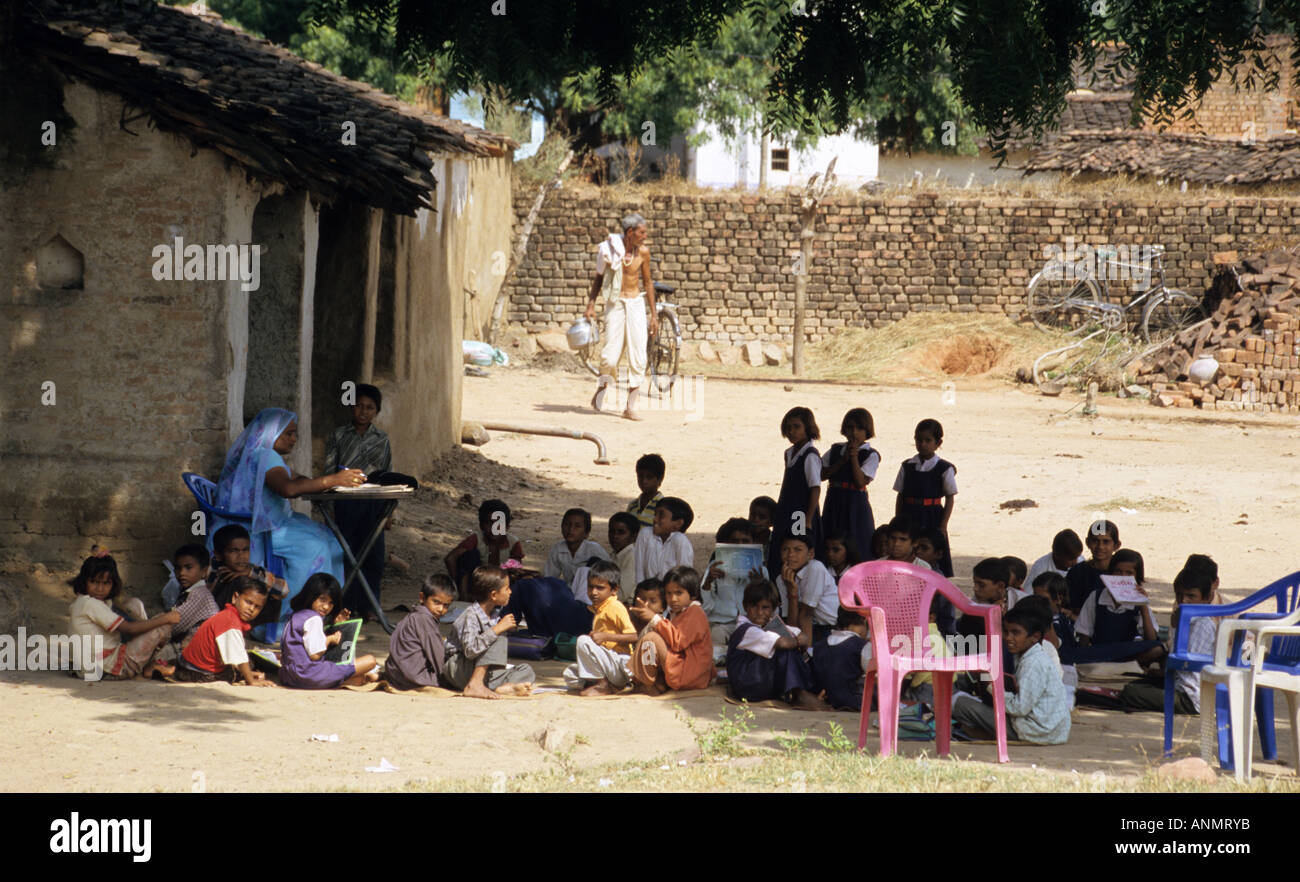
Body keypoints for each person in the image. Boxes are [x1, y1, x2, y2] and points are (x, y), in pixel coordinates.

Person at [214, 407, 349, 640]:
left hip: (268, 522)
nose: (294, 439)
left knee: (329, 538)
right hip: (258, 528)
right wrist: (332, 480)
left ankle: (325, 614)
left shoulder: (263, 454)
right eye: (288, 434)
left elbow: (294, 478)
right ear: (270, 434)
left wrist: (315, 482)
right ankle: (290, 618)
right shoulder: (266, 456)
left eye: (295, 434)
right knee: (316, 548)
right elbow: (287, 488)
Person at [952, 604, 1071, 744]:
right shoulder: (1028, 655)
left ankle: (983, 731)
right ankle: (980, 730)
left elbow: (1019, 708)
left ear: (1035, 636)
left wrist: (991, 686)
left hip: (1035, 731)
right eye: (1006, 631)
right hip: (1047, 729)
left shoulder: (1033, 663)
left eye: (1016, 633)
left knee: (959, 703)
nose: (1008, 638)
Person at [324, 383, 393, 620]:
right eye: (359, 406)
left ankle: (370, 607)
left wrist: (389, 511)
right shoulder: (339, 435)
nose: (363, 412)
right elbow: (329, 468)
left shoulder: (382, 439)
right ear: (351, 407)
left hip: (373, 503)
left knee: (373, 556)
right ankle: (346, 605)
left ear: (376, 411)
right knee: (346, 553)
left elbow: (387, 473)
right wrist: (330, 504)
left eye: (369, 408)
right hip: (345, 502)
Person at [1121, 555, 1220, 713]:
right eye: (1179, 595)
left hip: (1190, 697)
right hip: (1180, 686)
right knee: (1136, 685)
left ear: (1207, 598)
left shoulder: (1202, 625)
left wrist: (1175, 630)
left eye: (1191, 596)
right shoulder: (1188, 620)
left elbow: (1184, 663)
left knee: (1130, 692)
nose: (1183, 601)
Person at [585, 212, 657, 420]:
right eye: (642, 233)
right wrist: (591, 304)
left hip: (635, 303)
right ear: (630, 232)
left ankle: (629, 407)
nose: (645, 236)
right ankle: (601, 389)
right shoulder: (610, 251)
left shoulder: (643, 253)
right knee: (609, 355)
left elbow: (648, 282)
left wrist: (654, 315)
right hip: (615, 304)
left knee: (638, 355)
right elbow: (598, 279)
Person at [68, 550, 178, 680]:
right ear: (84, 581)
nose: (100, 588)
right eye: (94, 582)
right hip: (107, 669)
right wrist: (165, 618)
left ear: (113, 584)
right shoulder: (91, 604)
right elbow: (129, 629)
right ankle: (153, 664)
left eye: (106, 583)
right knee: (163, 626)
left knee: (133, 604)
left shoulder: (83, 602)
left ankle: (151, 659)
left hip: (87, 667)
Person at [726, 580, 829, 709]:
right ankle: (798, 694)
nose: (759, 612)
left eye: (765, 607)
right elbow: (782, 642)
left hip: (762, 684)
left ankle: (811, 690)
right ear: (745, 607)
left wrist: (799, 640)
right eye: (754, 606)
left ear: (773, 609)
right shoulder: (746, 629)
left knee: (807, 653)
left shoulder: (769, 625)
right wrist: (797, 641)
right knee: (784, 649)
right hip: (747, 686)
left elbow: (801, 635)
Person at [442, 567, 535, 699]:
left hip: (482, 670)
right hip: (459, 668)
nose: (510, 592)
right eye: (507, 588)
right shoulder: (470, 615)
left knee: (526, 670)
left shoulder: (495, 614)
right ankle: (474, 685)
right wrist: (497, 629)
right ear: (493, 595)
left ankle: (501, 688)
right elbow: (470, 650)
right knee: (498, 636)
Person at [280, 574, 379, 689]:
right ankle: (367, 677)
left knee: (355, 678)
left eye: (331, 603)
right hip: (309, 675)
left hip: (289, 676)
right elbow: (315, 655)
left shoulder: (296, 616)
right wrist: (329, 639)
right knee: (370, 661)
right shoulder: (314, 619)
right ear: (311, 596)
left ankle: (359, 679)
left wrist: (335, 625)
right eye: (323, 600)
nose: (326, 607)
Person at [628, 566, 712, 695]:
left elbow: (678, 642)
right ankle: (657, 682)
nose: (673, 599)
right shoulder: (680, 613)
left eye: (679, 593)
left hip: (690, 674)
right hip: (684, 667)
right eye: (668, 593)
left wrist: (655, 619)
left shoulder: (695, 612)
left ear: (693, 594)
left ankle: (647, 683)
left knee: (651, 639)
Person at [175, 577, 274, 685]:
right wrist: (251, 680)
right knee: (245, 666)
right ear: (235, 597)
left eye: (257, 607)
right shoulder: (230, 622)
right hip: (198, 672)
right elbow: (239, 657)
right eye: (248, 602)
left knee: (244, 666)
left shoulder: (228, 615)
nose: (251, 609)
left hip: (186, 664)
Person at [1075, 548, 1165, 667]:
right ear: (1110, 573)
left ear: (1137, 577)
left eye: (1129, 573)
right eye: (1118, 571)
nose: (1122, 577)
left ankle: (1119, 666)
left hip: (1126, 652)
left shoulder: (1139, 602)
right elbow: (1084, 635)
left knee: (1157, 649)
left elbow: (1151, 639)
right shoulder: (1096, 597)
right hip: (1100, 650)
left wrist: (1143, 606)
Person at [893, 418, 956, 577]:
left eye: (928, 440)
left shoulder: (944, 468)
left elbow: (950, 497)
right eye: (919, 440)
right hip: (909, 513)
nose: (923, 444)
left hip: (932, 515)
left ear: (938, 442)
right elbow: (900, 494)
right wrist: (898, 517)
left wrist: (943, 524)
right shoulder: (907, 466)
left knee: (930, 549)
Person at [563, 561, 638, 695]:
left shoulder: (615, 607)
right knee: (570, 674)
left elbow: (633, 636)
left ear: (614, 589)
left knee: (583, 641)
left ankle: (602, 685)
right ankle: (607, 684)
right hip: (608, 664)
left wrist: (606, 637)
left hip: (619, 663)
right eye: (590, 587)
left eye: (600, 588)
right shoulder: (599, 608)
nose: (593, 592)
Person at [769, 406, 823, 578]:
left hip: (800, 513)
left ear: (808, 428)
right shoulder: (790, 453)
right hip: (787, 510)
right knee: (781, 548)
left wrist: (807, 520)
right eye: (788, 428)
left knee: (796, 553)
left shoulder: (810, 456)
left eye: (796, 427)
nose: (791, 431)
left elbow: (815, 488)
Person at [821, 408, 880, 565]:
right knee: (831, 536)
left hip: (855, 502)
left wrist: (853, 457)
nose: (854, 432)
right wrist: (842, 460)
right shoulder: (835, 450)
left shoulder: (871, 455)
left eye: (859, 428)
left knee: (857, 541)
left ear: (867, 431)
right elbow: (822, 474)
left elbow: (861, 481)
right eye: (850, 428)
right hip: (834, 499)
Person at [701, 517, 767, 644]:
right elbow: (705, 607)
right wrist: (708, 582)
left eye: (745, 541)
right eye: (735, 541)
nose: (740, 545)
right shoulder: (715, 567)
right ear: (725, 543)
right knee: (716, 634)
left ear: (753, 543)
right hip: (721, 624)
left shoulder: (761, 571)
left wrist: (759, 584)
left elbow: (767, 604)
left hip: (750, 623)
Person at [384, 575, 454, 691]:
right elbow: (438, 656)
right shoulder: (424, 619)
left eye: (446, 605)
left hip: (395, 675)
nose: (441, 609)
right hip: (414, 678)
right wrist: (448, 678)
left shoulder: (413, 615)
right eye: (436, 602)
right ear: (422, 597)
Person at [445, 499, 526, 599]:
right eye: (489, 523)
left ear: (507, 527)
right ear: (481, 526)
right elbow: (450, 558)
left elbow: (517, 569)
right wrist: (457, 581)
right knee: (468, 556)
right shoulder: (476, 539)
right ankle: (465, 596)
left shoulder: (513, 542)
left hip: (502, 586)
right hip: (477, 585)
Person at [776, 534, 838, 643]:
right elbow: (792, 624)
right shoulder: (782, 578)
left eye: (797, 550)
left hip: (832, 628)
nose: (790, 555)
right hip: (809, 628)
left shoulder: (815, 568)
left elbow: (806, 615)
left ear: (810, 554)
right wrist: (792, 591)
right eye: (785, 549)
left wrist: (806, 654)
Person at [811, 607, 873, 711]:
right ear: (865, 620)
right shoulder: (862, 646)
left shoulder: (819, 646)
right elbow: (873, 673)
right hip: (855, 702)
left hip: (828, 700)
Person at [166, 544, 217, 659]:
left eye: (188, 567)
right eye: (178, 568)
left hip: (197, 651)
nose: (182, 573)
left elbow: (172, 628)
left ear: (204, 571)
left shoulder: (199, 594)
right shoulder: (187, 591)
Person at [634, 496, 695, 583]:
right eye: (655, 514)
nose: (654, 519)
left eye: (661, 515)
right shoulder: (646, 534)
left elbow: (684, 578)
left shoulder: (680, 541)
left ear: (678, 523)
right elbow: (638, 570)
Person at [1065, 519, 1121, 613]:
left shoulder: (1122, 572)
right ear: (1087, 543)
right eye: (1095, 541)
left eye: (1106, 541)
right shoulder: (1077, 573)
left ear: (1116, 545)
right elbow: (1073, 608)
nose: (1100, 546)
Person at [544, 508, 610, 585]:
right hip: (570, 593)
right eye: (567, 524)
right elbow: (549, 578)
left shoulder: (595, 550)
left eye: (577, 526)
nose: (571, 529)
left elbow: (611, 575)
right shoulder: (558, 549)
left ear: (586, 533)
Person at [1024, 529, 1085, 596]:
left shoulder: (1080, 561)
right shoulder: (1041, 567)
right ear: (1057, 555)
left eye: (1077, 557)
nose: (1076, 562)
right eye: (1071, 559)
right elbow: (1028, 594)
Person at [608, 512, 641, 604]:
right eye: (611, 531)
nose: (615, 536)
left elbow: (621, 595)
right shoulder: (615, 554)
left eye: (621, 532)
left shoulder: (632, 557)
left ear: (634, 536)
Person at [627, 454, 666, 526]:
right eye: (640, 476)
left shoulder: (663, 508)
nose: (644, 481)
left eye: (649, 477)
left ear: (660, 479)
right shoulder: (632, 505)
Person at [748, 496, 777, 562]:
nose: (756, 519)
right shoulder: (742, 539)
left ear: (772, 521)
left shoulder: (775, 543)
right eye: (753, 515)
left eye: (762, 517)